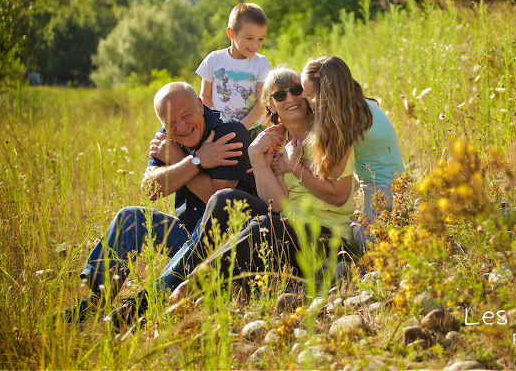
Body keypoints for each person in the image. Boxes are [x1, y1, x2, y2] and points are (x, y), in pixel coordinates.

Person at [156, 65, 369, 308]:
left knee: (266, 226)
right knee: (224, 198)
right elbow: (277, 203)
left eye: (296, 90)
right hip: (291, 236)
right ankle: (173, 285)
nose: (289, 98)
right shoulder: (278, 141)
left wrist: (295, 166)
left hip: (329, 240)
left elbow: (340, 197)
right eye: (280, 95)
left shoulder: (328, 130)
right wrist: (257, 158)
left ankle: (193, 283)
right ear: (270, 104)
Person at [59, 81, 253, 323]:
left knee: (204, 225)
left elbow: (215, 198)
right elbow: (150, 188)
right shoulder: (165, 138)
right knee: (130, 217)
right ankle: (98, 299)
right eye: (170, 123)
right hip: (188, 232)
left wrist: (178, 159)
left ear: (200, 105)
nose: (181, 127)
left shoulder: (229, 133)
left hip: (229, 244)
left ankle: (143, 304)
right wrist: (197, 161)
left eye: (186, 116)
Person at [304, 56, 404, 222]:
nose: (303, 97)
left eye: (309, 95)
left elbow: (334, 171)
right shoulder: (352, 103)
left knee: (370, 243)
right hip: (376, 175)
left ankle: (348, 228)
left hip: (381, 183)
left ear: (325, 96)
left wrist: (300, 164)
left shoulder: (349, 119)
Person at [196, 3, 271, 135]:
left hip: (253, 128)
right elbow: (205, 96)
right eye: (249, 38)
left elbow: (261, 103)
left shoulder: (261, 63)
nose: (255, 44)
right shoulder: (214, 59)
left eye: (261, 39)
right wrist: (216, 123)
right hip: (219, 128)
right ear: (231, 33)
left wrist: (240, 128)